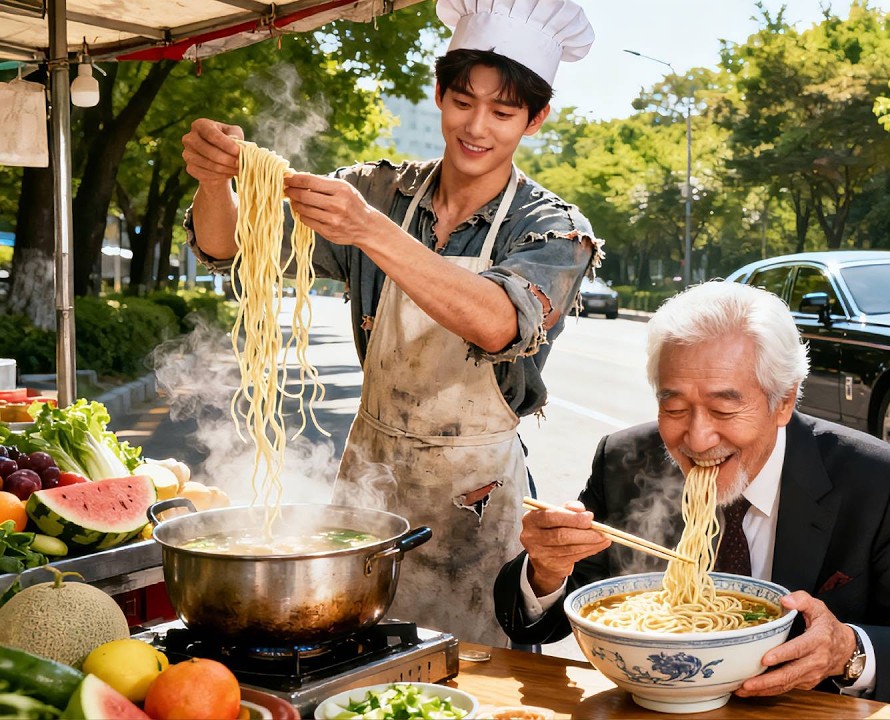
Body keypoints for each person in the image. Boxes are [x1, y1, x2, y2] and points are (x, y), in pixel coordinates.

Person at [180, 0, 600, 647]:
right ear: (439, 95)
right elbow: (231, 247)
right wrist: (216, 183)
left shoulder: (553, 229)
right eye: (462, 102)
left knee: (475, 667)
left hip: (478, 499)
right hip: (368, 482)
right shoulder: (379, 191)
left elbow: (496, 321)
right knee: (346, 649)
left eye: (503, 112)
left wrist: (369, 231)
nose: (476, 127)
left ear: (535, 119)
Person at [493, 281, 890, 707]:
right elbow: (541, 620)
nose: (698, 438)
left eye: (724, 410)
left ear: (784, 401)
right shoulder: (626, 460)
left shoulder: (873, 480)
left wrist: (845, 652)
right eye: (674, 408)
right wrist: (546, 569)